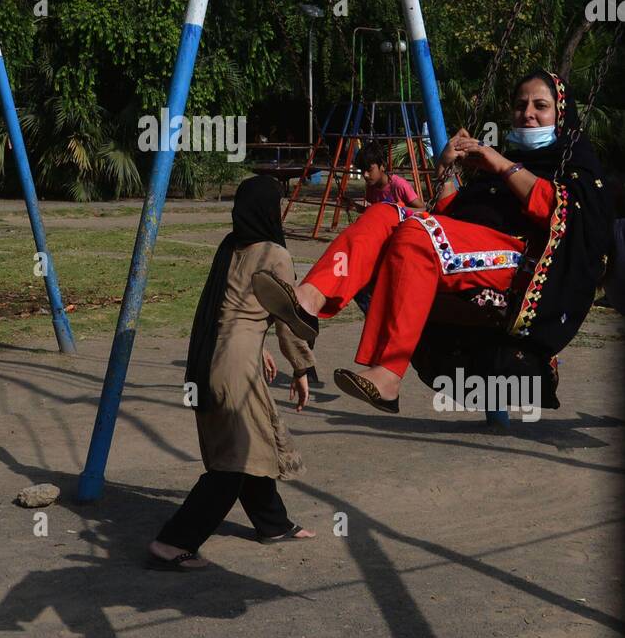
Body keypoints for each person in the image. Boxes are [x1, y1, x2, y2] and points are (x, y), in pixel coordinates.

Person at [252, 70, 612, 414]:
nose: (528, 114)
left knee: (417, 235)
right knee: (383, 215)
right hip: (473, 248)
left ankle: (388, 374)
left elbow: (560, 212)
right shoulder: (506, 159)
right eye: (520, 105)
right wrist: (446, 169)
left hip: (521, 264)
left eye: (540, 106)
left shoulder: (574, 163)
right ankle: (308, 302)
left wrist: (500, 164)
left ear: (560, 113)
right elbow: (456, 217)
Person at [148, 174, 316, 571]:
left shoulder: (229, 246)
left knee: (249, 445)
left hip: (213, 354)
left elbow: (229, 309)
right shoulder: (275, 253)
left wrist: (258, 352)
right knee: (236, 459)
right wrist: (302, 368)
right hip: (237, 365)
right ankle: (174, 541)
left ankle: (272, 524)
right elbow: (286, 317)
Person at [347, 141, 423, 213]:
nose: (365, 175)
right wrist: (355, 206)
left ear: (383, 165)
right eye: (363, 171)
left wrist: (397, 210)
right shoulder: (371, 186)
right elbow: (375, 212)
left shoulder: (400, 186)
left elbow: (423, 209)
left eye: (369, 170)